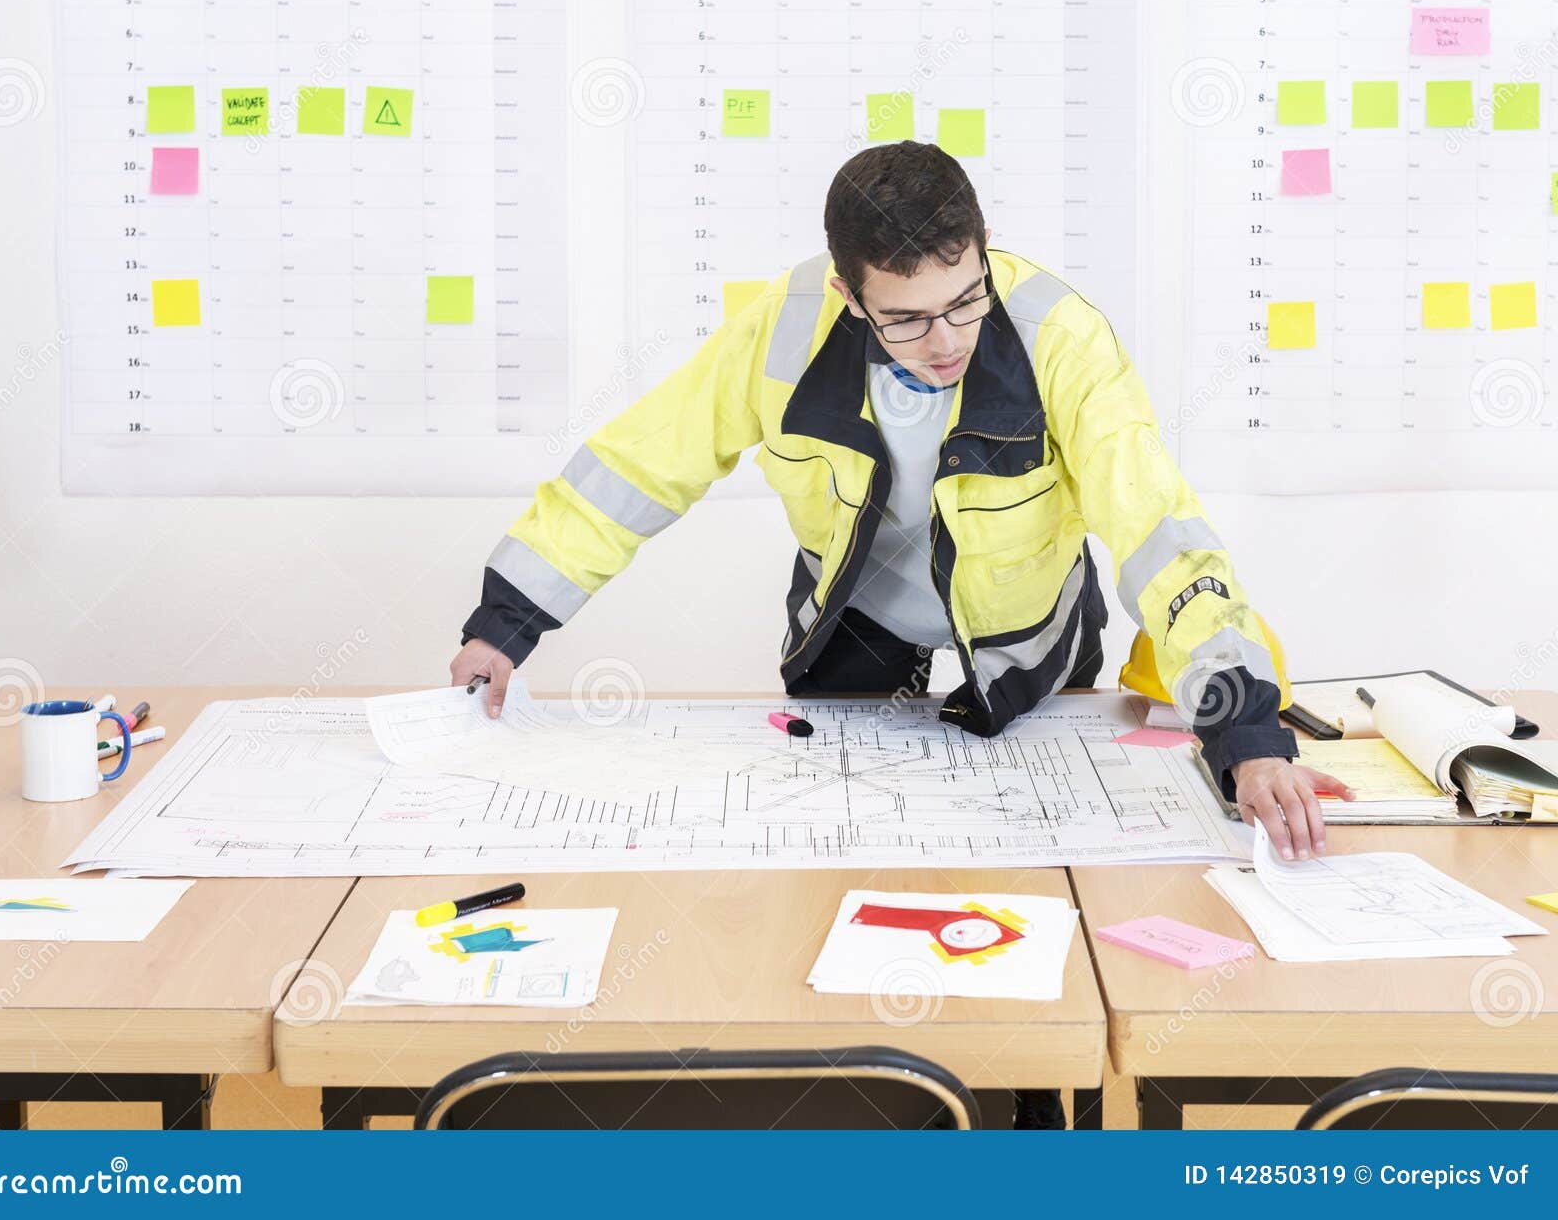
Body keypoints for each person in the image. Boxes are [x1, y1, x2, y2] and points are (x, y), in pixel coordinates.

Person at [451, 141, 1352, 862]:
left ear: (984, 254)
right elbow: (642, 465)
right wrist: (506, 622)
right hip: (856, 618)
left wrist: (1244, 724)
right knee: (850, 847)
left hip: (1027, 626)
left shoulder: (1061, 338)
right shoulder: (787, 325)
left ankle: (1032, 1089)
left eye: (965, 301)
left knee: (1043, 855)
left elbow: (1158, 528)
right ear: (849, 294)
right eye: (910, 318)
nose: (948, 338)